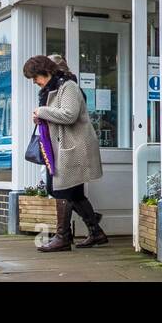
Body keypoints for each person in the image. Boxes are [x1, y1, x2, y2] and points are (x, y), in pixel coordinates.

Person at [23, 55, 107, 252]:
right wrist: (40, 118)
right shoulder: (51, 89)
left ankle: (63, 237)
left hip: (73, 147)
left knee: (61, 190)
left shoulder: (68, 87)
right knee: (72, 192)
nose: (34, 81)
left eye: (35, 77)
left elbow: (69, 115)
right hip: (60, 147)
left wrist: (42, 112)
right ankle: (96, 231)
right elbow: (56, 115)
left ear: (46, 71)